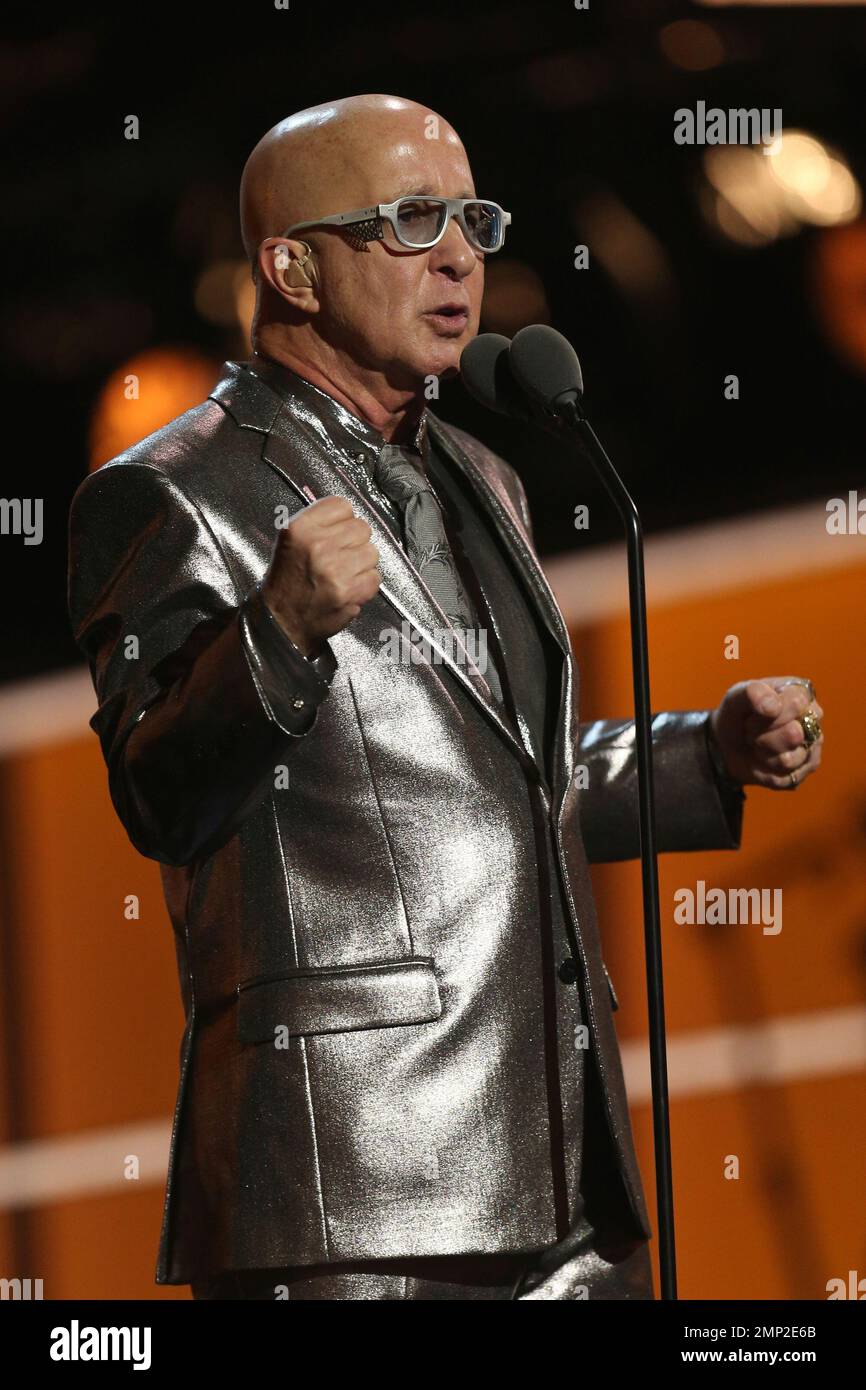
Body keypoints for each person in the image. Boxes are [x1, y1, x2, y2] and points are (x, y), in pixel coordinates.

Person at [67, 94, 824, 1301]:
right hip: (352, 1192)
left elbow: (509, 777)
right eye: (411, 220)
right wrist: (276, 632)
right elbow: (157, 791)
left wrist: (706, 757)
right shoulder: (174, 492)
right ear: (293, 267)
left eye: (470, 217)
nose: (462, 254)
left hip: (565, 1176)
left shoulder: (484, 473)